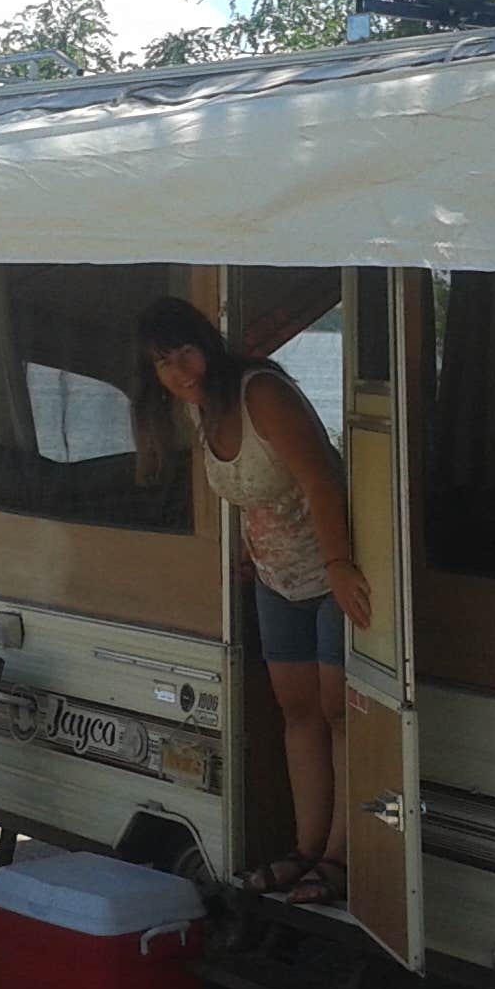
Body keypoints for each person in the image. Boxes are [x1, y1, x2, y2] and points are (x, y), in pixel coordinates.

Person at [134, 296, 370, 906]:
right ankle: (306, 848)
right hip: (276, 578)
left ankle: (344, 857)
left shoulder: (259, 392)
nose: (183, 370)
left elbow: (321, 478)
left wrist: (343, 566)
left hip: (333, 567)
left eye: (186, 351)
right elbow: (248, 489)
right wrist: (247, 548)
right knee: (296, 713)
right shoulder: (199, 411)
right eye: (165, 363)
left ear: (206, 343)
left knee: (339, 711)